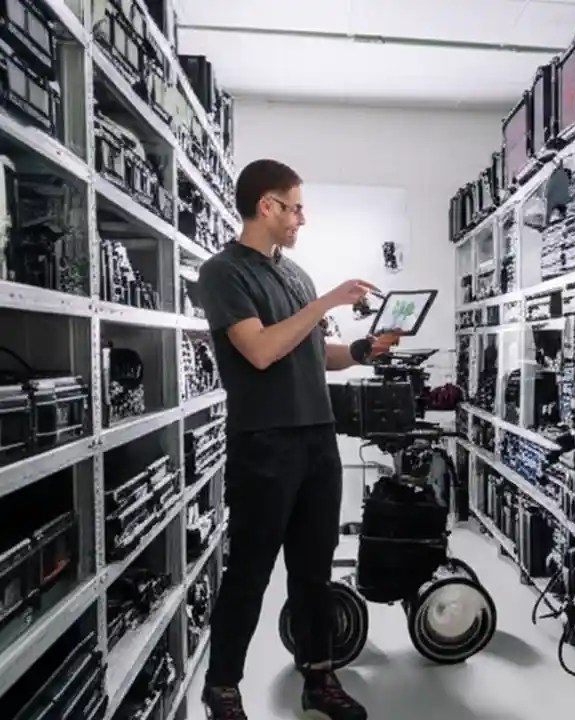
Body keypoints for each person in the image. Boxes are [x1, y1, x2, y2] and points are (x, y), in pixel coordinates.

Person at [197, 159, 396, 720]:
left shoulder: (297, 275)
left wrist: (360, 351)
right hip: (265, 444)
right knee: (251, 570)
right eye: (295, 206)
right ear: (267, 205)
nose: (301, 219)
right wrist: (325, 303)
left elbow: (313, 353)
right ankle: (223, 689)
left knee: (314, 568)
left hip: (317, 442)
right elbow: (260, 350)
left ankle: (319, 678)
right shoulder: (224, 274)